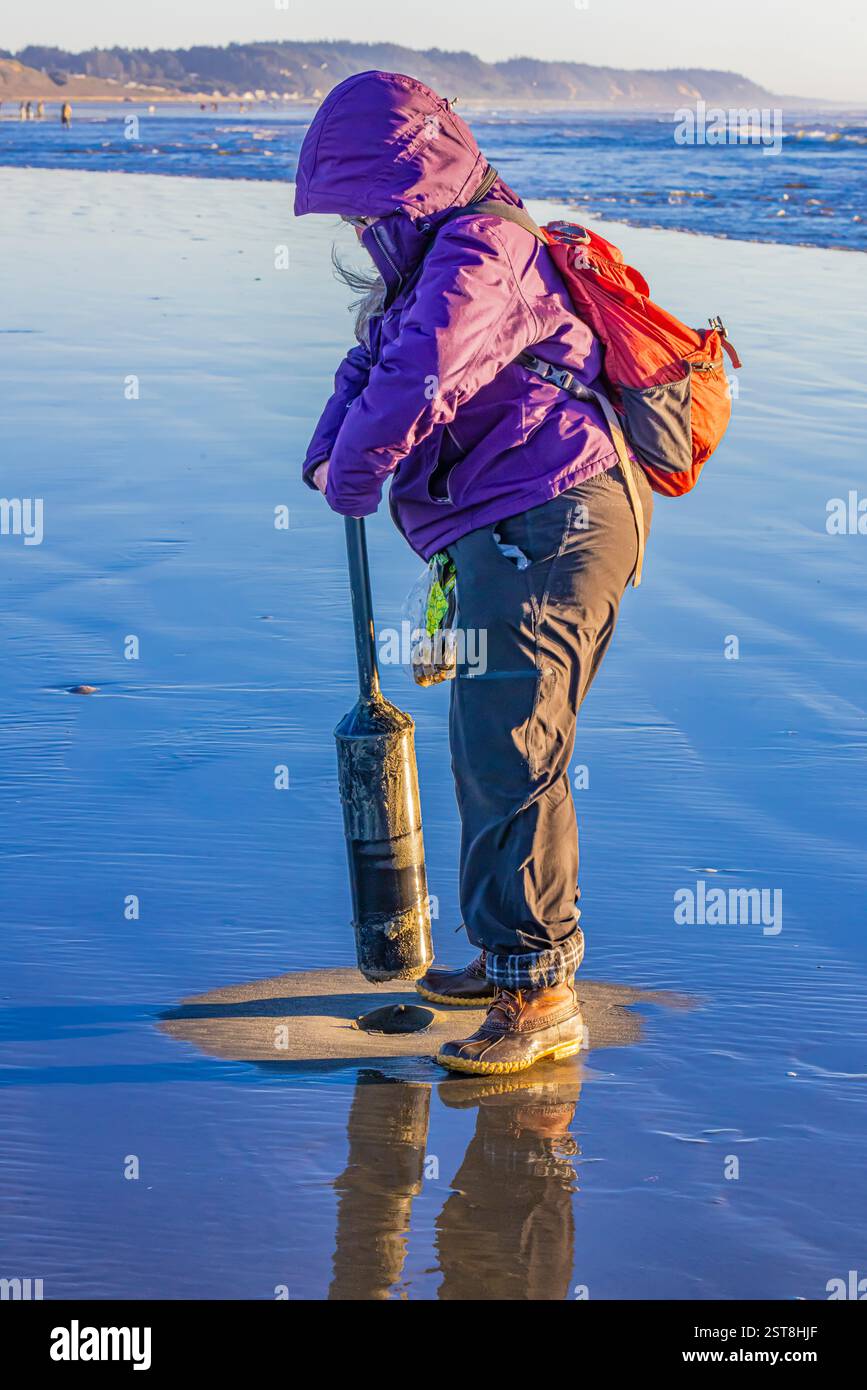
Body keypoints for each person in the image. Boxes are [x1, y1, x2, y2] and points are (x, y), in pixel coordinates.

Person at [296, 71, 652, 1075]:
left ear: (411, 179)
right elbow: (374, 366)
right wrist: (329, 454)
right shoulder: (435, 255)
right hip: (507, 528)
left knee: (515, 749)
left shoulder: (483, 249)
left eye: (370, 200)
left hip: (558, 521)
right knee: (485, 749)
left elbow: (426, 370)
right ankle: (508, 957)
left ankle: (540, 989)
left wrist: (360, 467)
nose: (362, 223)